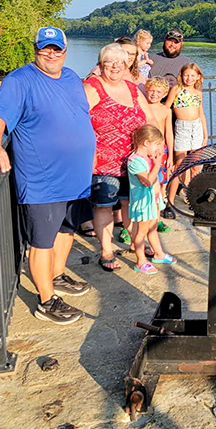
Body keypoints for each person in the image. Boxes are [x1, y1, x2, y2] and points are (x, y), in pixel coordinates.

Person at [0, 27, 95, 325]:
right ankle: (46, 301)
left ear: (64, 51)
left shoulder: (72, 78)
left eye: (56, 49)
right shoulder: (20, 80)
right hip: (43, 180)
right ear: (35, 49)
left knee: (67, 229)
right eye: (44, 48)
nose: (50, 53)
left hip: (76, 178)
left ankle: (57, 276)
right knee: (41, 242)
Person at [84, 44, 154, 271]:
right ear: (100, 64)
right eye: (109, 62)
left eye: (120, 62)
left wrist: (156, 151)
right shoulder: (91, 88)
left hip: (134, 163)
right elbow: (78, 122)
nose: (115, 66)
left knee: (132, 208)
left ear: (127, 65)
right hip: (104, 163)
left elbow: (150, 120)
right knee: (104, 207)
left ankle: (138, 249)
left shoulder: (133, 89)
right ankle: (106, 251)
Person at [127, 124, 177, 273]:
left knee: (153, 228)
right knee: (140, 232)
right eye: (156, 144)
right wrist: (157, 165)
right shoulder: (135, 161)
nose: (157, 149)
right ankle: (140, 261)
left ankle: (159, 253)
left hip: (153, 200)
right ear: (146, 143)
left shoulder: (147, 158)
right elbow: (147, 181)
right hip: (143, 202)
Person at [162, 62, 208, 217]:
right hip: (182, 127)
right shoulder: (176, 89)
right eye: (186, 75)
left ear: (198, 77)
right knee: (180, 166)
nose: (189, 78)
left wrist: (205, 134)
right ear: (181, 75)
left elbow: (201, 114)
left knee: (196, 166)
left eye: (192, 76)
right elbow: (166, 109)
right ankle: (170, 202)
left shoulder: (198, 92)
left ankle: (195, 200)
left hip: (197, 128)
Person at [143, 76, 175, 229]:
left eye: (158, 92)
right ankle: (134, 221)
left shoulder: (166, 110)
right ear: (146, 90)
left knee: (161, 184)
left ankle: (158, 219)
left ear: (164, 94)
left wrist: (170, 156)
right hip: (144, 150)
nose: (154, 94)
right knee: (143, 184)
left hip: (161, 151)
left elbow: (169, 132)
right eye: (151, 90)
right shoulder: (142, 106)